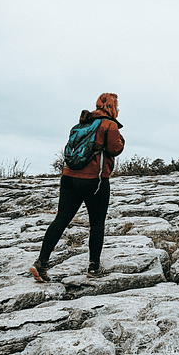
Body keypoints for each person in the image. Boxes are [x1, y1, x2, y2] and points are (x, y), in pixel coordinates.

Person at [30, 93, 125, 282]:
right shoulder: (109, 124)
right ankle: (94, 268)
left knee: (61, 219)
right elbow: (116, 148)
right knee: (97, 223)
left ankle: (41, 263)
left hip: (68, 178)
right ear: (112, 107)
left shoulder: (82, 123)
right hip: (94, 180)